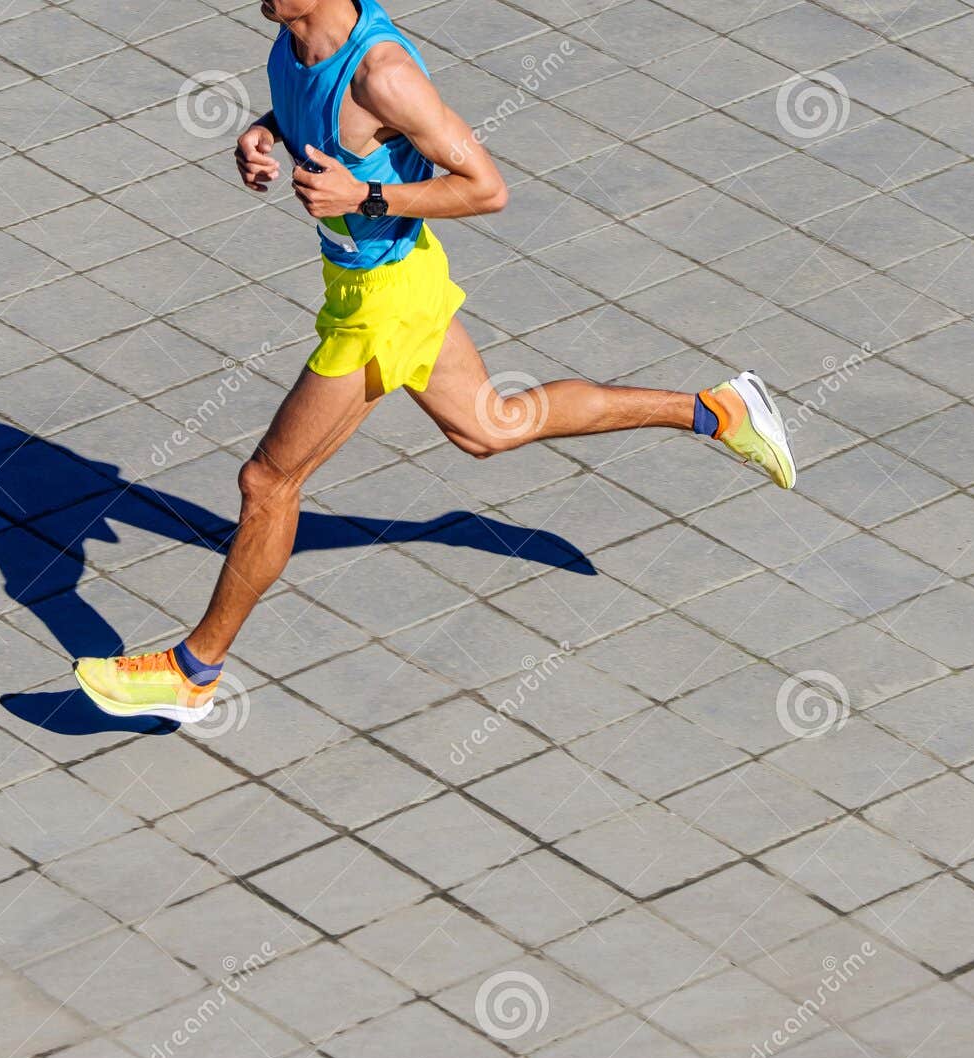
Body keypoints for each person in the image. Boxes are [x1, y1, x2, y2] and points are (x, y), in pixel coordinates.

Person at [74, 0, 795, 723]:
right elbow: (310, 106)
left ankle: (193, 672)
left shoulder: (384, 77)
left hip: (384, 304)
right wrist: (265, 132)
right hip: (388, 282)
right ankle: (718, 409)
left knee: (268, 481)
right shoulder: (294, 39)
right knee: (492, 426)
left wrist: (367, 194)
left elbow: (487, 188)